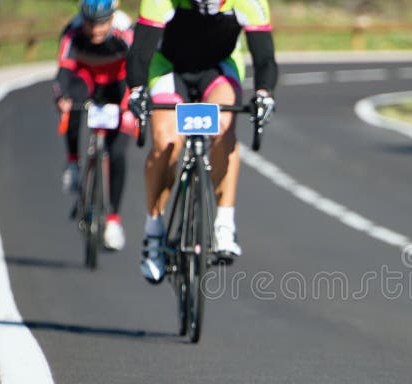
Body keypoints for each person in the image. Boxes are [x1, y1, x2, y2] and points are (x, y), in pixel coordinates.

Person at [126, 0, 278, 284]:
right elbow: (139, 52)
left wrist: (264, 93)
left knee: (223, 130)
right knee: (166, 141)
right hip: (169, 67)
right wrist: (136, 89)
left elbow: (265, 59)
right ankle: (154, 231)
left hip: (217, 69)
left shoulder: (248, 2)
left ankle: (224, 223)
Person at [54, 0, 134, 251]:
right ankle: (73, 162)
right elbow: (64, 72)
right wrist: (61, 97)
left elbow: (138, 68)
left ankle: (113, 220)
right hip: (87, 79)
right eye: (90, 24)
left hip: (118, 85)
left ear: (113, 17)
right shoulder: (72, 31)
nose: (96, 31)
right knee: (74, 100)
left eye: (102, 24)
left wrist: (130, 108)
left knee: (118, 152)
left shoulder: (126, 30)